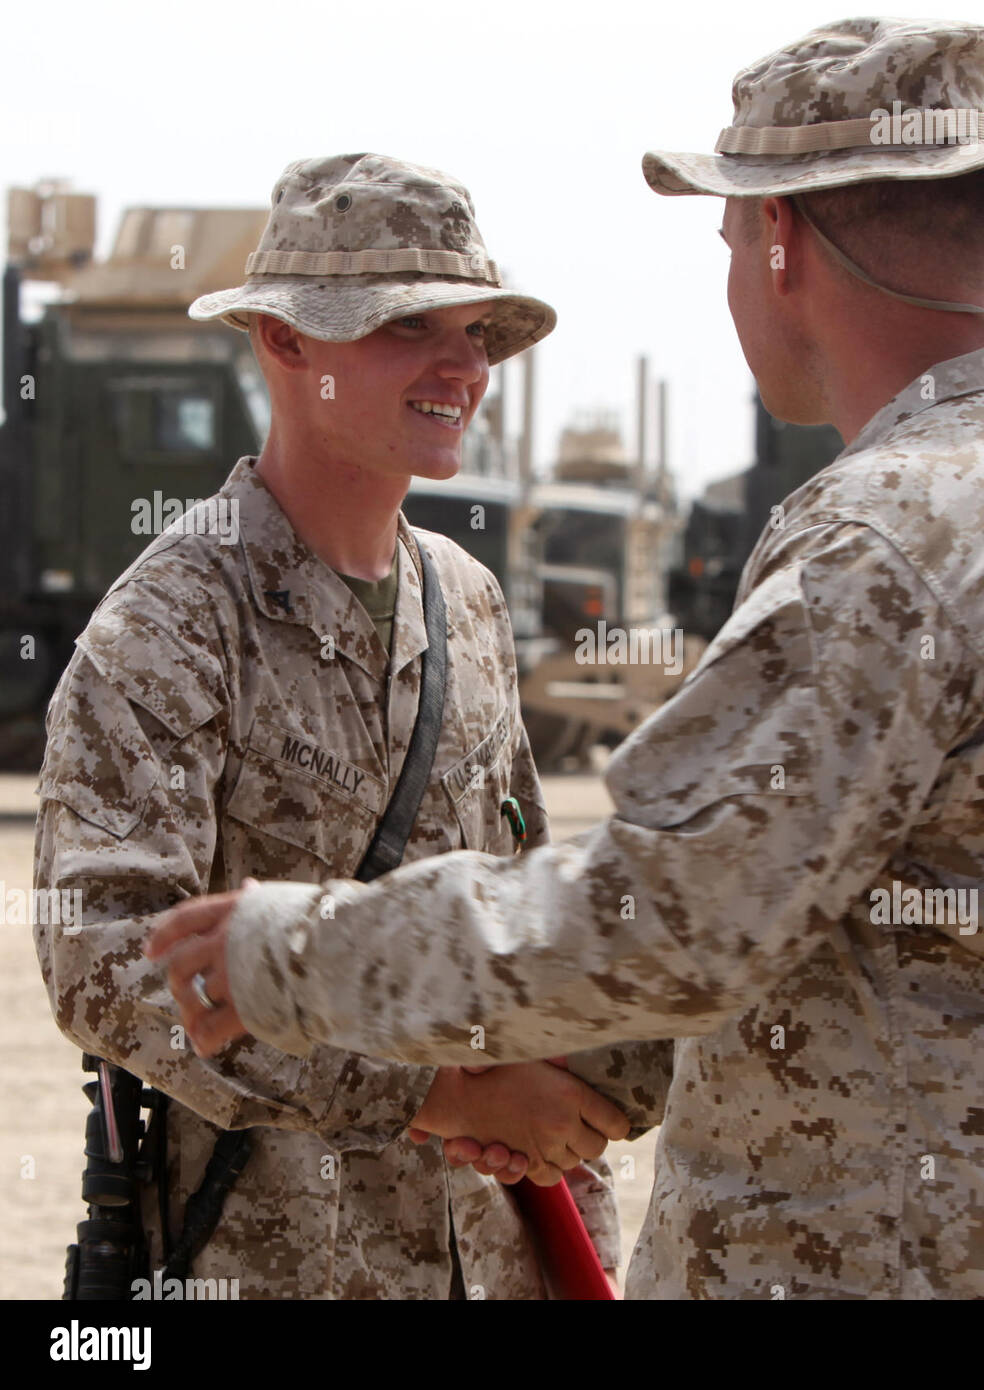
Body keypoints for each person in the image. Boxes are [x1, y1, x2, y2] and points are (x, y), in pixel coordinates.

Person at [149, 22, 984, 1299]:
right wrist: (598, 1079)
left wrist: (291, 953)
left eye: (727, 237)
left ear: (779, 240)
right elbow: (834, 909)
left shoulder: (884, 537)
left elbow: (662, 911)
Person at [34, 152, 629, 1300]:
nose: (463, 366)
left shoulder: (469, 600)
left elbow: (530, 925)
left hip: (495, 1258)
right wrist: (434, 1094)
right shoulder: (172, 621)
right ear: (285, 341)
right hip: (282, 1263)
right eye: (410, 327)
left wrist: (578, 1226)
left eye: (480, 335)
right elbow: (102, 961)